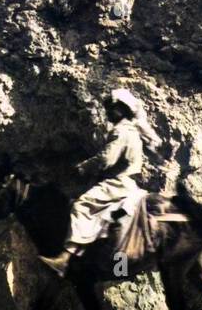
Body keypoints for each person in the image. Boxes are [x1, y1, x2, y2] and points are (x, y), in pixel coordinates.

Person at [39, 87, 161, 277]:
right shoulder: (133, 132)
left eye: (111, 108)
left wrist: (83, 167)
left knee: (81, 206)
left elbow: (106, 159)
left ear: (122, 109)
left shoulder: (121, 132)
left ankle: (65, 258)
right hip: (128, 182)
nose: (108, 112)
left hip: (117, 184)